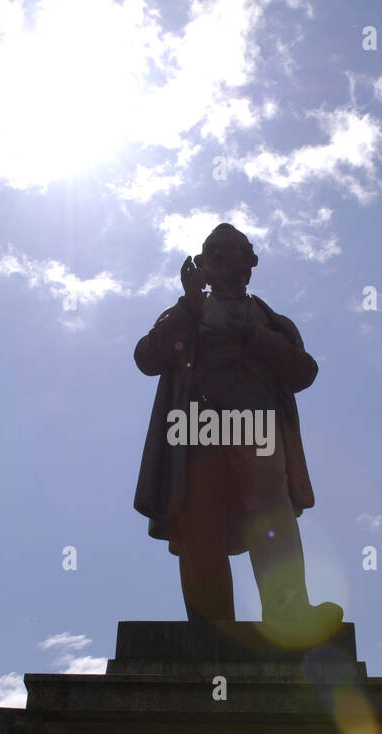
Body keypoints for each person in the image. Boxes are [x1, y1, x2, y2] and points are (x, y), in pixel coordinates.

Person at [133, 223, 342, 644]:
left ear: (252, 263)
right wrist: (188, 308)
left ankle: (290, 612)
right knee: (197, 520)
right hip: (196, 429)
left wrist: (253, 337)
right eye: (215, 255)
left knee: (272, 515)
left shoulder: (271, 321)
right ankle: (210, 627)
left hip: (258, 427)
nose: (225, 262)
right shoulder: (186, 314)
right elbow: (147, 357)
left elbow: (304, 371)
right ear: (204, 267)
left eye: (234, 253)